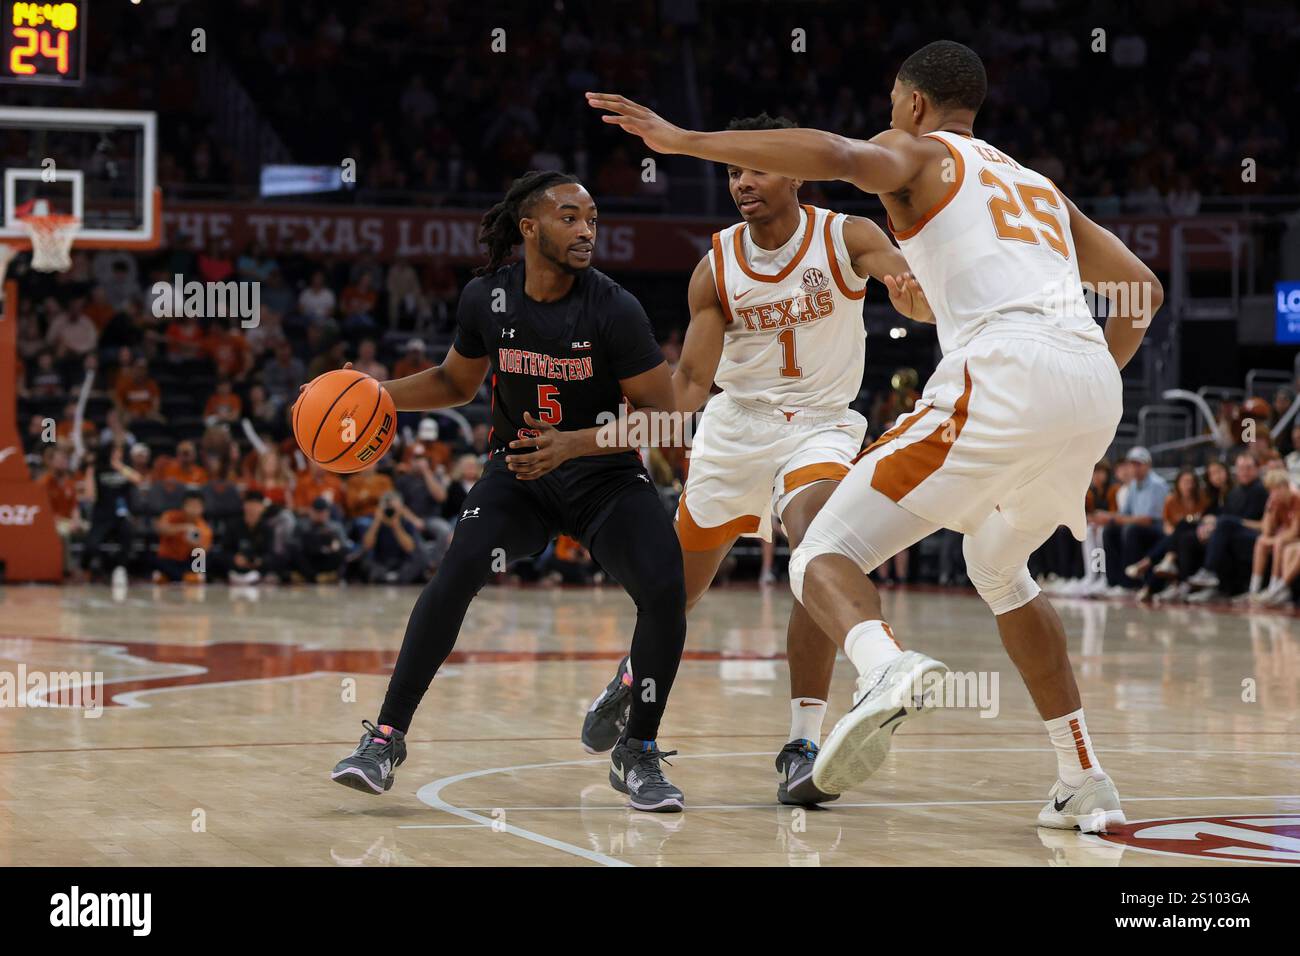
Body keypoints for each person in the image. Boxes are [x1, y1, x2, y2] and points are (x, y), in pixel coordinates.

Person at [589, 38, 1163, 831]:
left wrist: (683, 140)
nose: (888, 120)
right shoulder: (1035, 184)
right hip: (1090, 388)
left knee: (822, 550)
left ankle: (886, 669)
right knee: (997, 566)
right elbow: (1141, 289)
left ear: (915, 103)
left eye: (893, 104)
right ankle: (1082, 776)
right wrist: (1086, 375)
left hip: (1000, 373)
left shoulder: (917, 151)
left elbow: (831, 153)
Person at [579, 113, 933, 806]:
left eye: (756, 168)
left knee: (819, 549)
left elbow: (908, 289)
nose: (743, 182)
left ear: (794, 171)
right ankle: (631, 677)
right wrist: (624, 428)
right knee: (672, 598)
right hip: (735, 430)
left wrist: (912, 294)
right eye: (734, 171)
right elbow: (688, 388)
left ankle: (803, 744)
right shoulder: (716, 268)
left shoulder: (847, 235)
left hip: (823, 427)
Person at [329, 172, 689, 811]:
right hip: (520, 475)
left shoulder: (614, 308)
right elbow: (454, 382)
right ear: (530, 228)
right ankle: (384, 737)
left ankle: (638, 749)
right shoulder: (485, 299)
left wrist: (574, 443)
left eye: (593, 220)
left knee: (665, 587)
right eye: (571, 218)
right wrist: (377, 395)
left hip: (604, 477)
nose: (586, 232)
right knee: (459, 567)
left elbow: (665, 419)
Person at [1097, 446, 1168, 593]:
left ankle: (1130, 583)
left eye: (1138, 464)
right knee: (1109, 530)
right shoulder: (1134, 485)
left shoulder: (1157, 484)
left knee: (1130, 530)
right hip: (1137, 526)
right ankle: (1113, 581)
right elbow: (1124, 513)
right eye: (1132, 464)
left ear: (1148, 465)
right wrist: (1109, 518)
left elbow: (1149, 519)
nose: (1134, 468)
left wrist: (1117, 519)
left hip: (1156, 528)